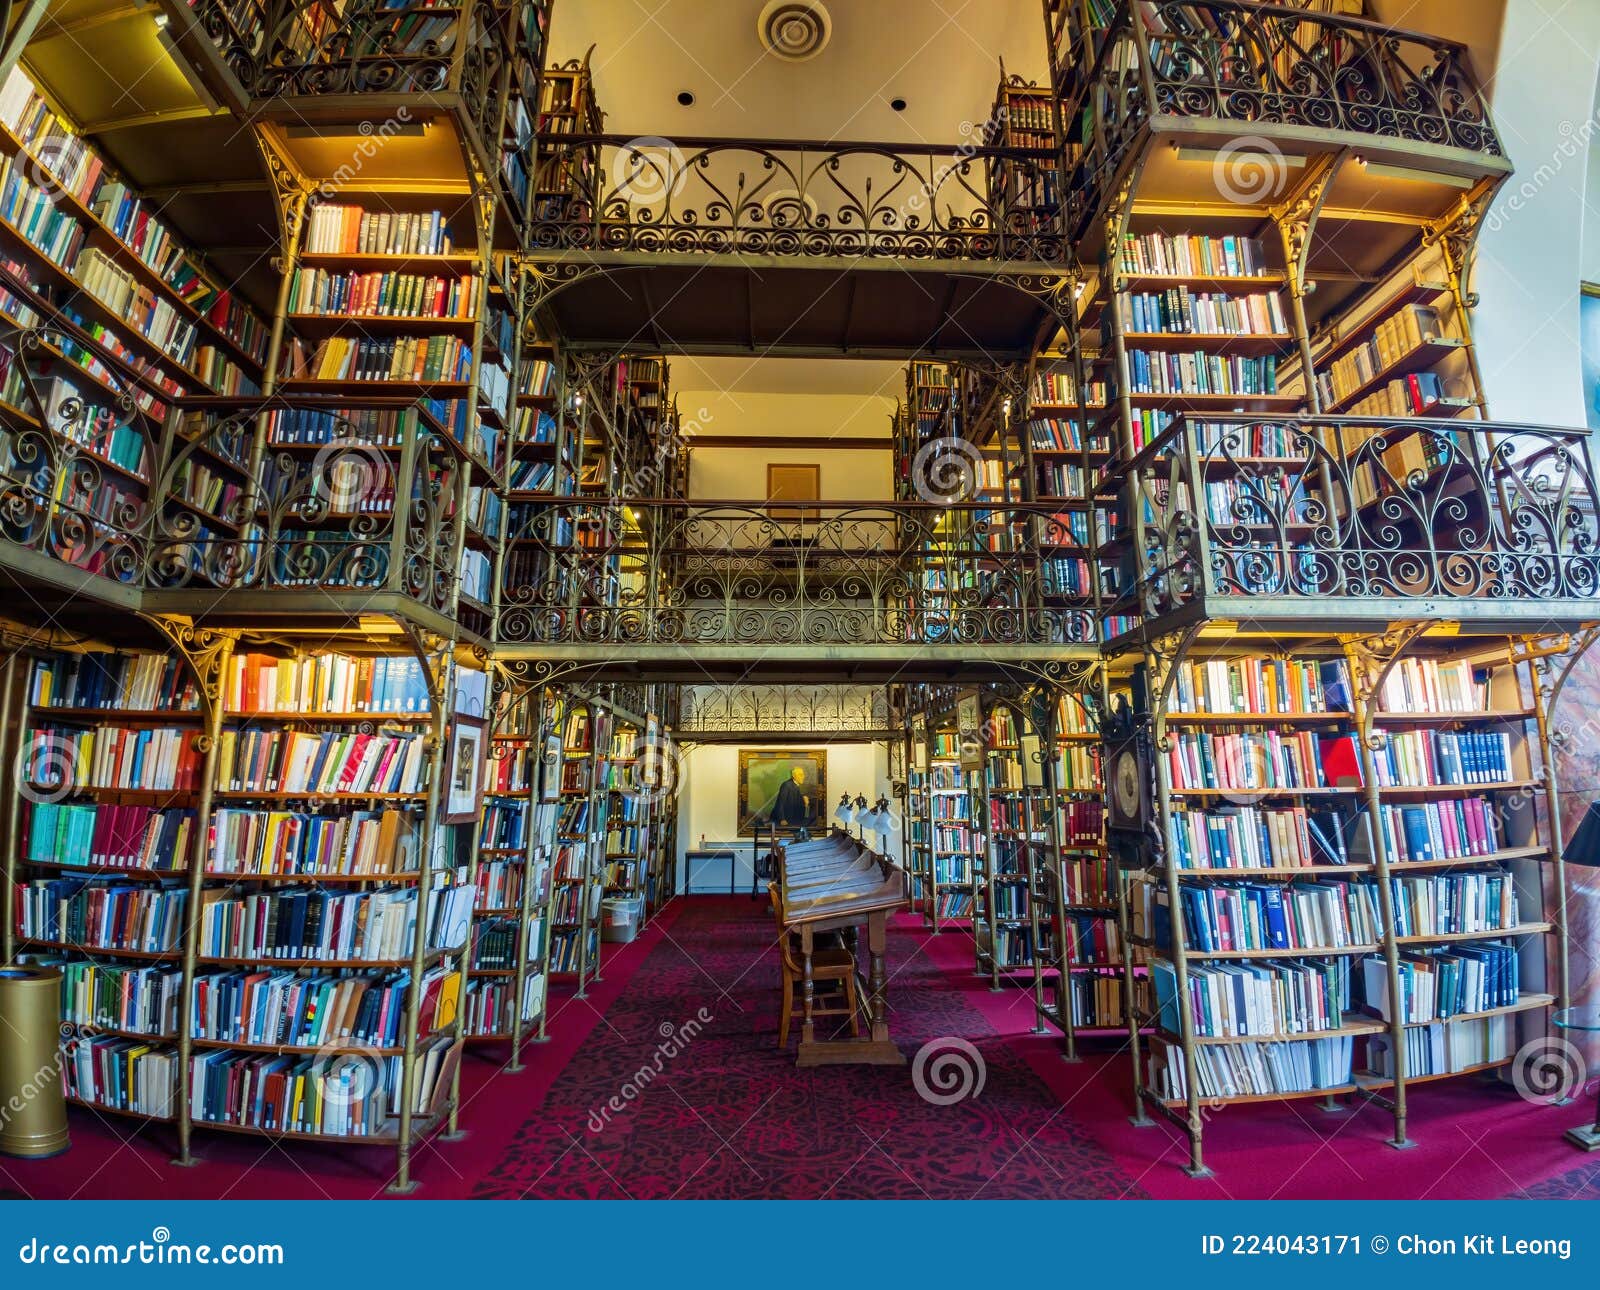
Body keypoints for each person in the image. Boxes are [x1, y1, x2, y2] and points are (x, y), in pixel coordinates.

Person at [769, 766, 811, 836]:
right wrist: (782, 819)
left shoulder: (798, 787)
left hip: (794, 821)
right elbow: (780, 803)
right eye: (800, 775)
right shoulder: (786, 785)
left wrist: (806, 804)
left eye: (803, 774)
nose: (803, 777)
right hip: (784, 820)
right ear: (794, 776)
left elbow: (805, 815)